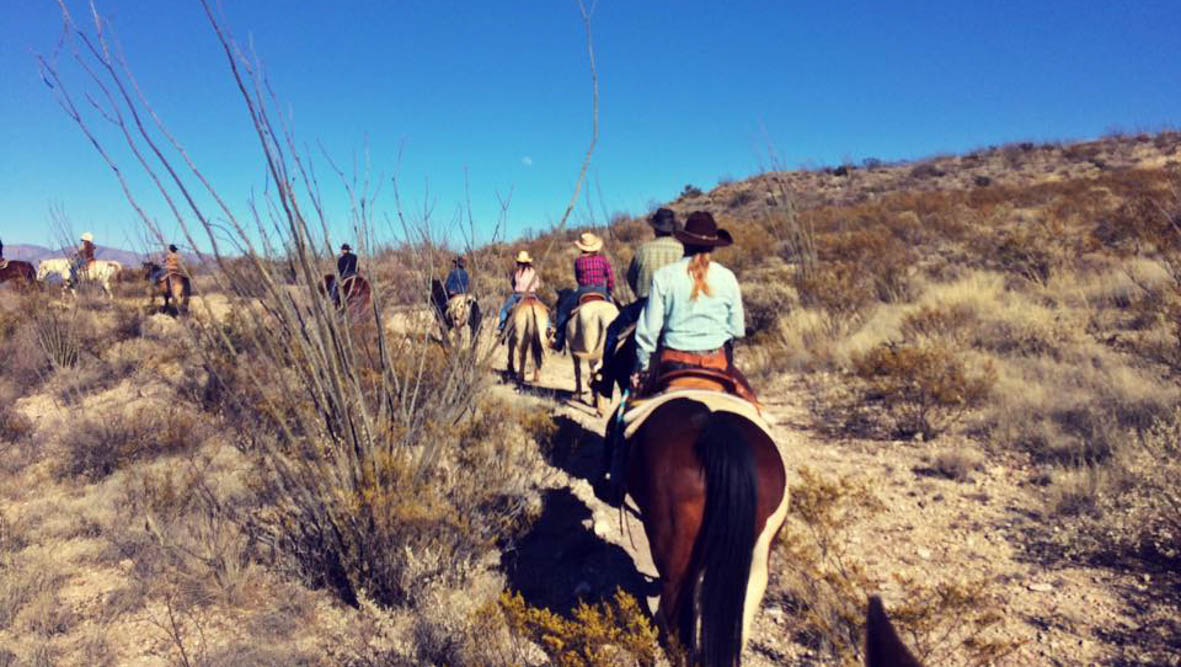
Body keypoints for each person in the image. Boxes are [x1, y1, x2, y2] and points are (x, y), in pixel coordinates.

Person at [632, 211, 755, 401]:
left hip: (673, 363)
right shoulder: (727, 277)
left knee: (629, 417)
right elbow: (737, 330)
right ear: (713, 246)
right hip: (717, 363)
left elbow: (648, 332)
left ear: (684, 241)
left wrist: (642, 367)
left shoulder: (664, 276)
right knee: (752, 405)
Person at [597, 208, 683, 388]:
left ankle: (605, 380)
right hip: (677, 306)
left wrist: (639, 290)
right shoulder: (683, 249)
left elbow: (631, 277)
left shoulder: (644, 250)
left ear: (655, 228)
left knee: (612, 332)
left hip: (645, 304)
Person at [550, 232, 615, 352]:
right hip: (602, 290)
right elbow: (610, 277)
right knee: (617, 311)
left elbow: (578, 278)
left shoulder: (579, 261)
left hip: (583, 291)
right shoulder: (603, 260)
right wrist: (610, 290)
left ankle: (559, 341)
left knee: (563, 311)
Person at [498, 250, 540, 333]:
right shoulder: (533, 271)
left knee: (504, 309)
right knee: (542, 309)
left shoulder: (517, 272)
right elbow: (537, 285)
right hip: (531, 295)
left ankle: (501, 327)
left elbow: (513, 284)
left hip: (518, 295)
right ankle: (548, 326)